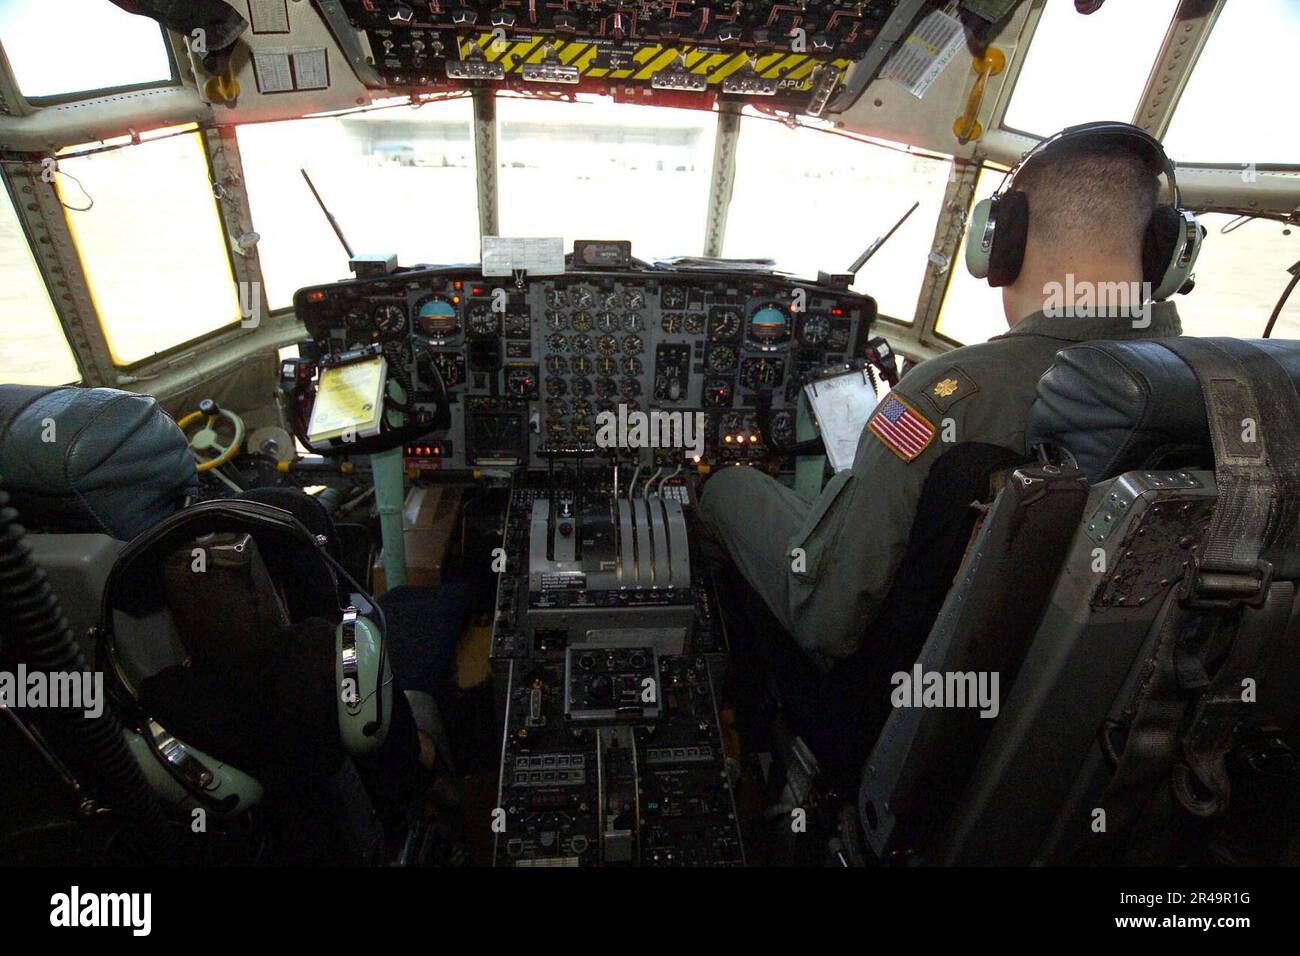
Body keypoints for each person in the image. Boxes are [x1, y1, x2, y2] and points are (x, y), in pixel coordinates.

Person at [700, 122, 1199, 684]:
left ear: (1002, 240)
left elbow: (828, 621)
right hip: (1071, 691)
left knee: (729, 487)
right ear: (1166, 256)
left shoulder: (948, 397)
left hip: (883, 695)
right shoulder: (1212, 388)